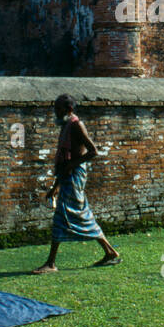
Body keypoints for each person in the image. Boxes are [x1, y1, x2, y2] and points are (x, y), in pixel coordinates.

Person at [32, 94, 120, 273]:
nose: (56, 112)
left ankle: (51, 263)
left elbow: (93, 151)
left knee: (65, 216)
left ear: (69, 110)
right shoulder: (66, 125)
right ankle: (110, 252)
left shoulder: (76, 125)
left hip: (75, 176)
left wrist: (72, 165)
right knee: (79, 215)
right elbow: (65, 162)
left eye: (59, 109)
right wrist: (55, 187)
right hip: (68, 176)